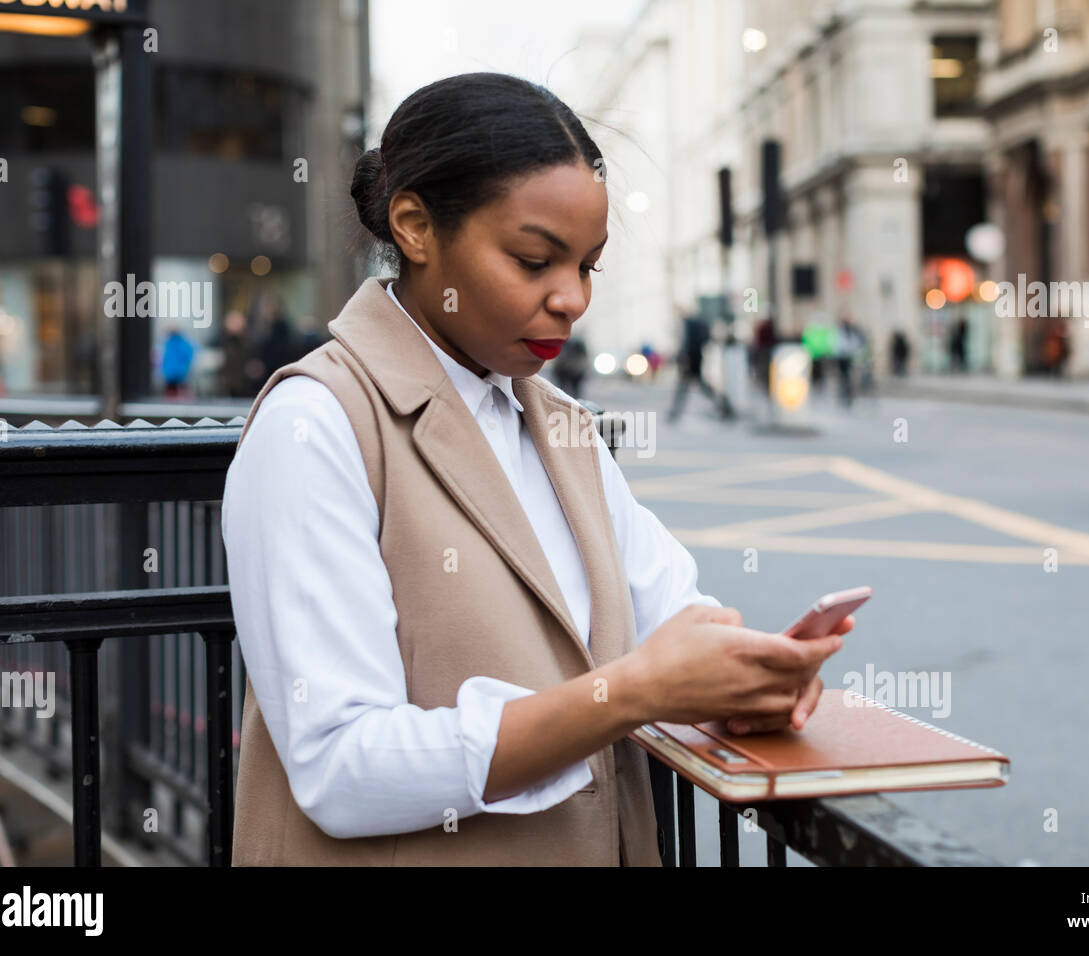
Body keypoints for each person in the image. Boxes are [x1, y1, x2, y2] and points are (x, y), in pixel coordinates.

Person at [221, 72, 854, 867]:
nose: (570, 299)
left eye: (588, 266)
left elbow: (673, 616)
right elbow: (342, 765)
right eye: (533, 260)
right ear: (414, 226)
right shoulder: (313, 426)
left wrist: (755, 675)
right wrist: (632, 694)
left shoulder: (562, 426)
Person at [667, 310, 734, 422]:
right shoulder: (695, 325)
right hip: (694, 361)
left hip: (691, 363)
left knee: (690, 388)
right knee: (697, 388)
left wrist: (684, 358)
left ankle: (725, 406)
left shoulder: (689, 325)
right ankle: (725, 406)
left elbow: (687, 345)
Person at [160, 324, 194, 398]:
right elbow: (189, 354)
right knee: (179, 392)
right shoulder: (181, 343)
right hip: (179, 372)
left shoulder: (168, 343)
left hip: (172, 373)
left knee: (173, 392)